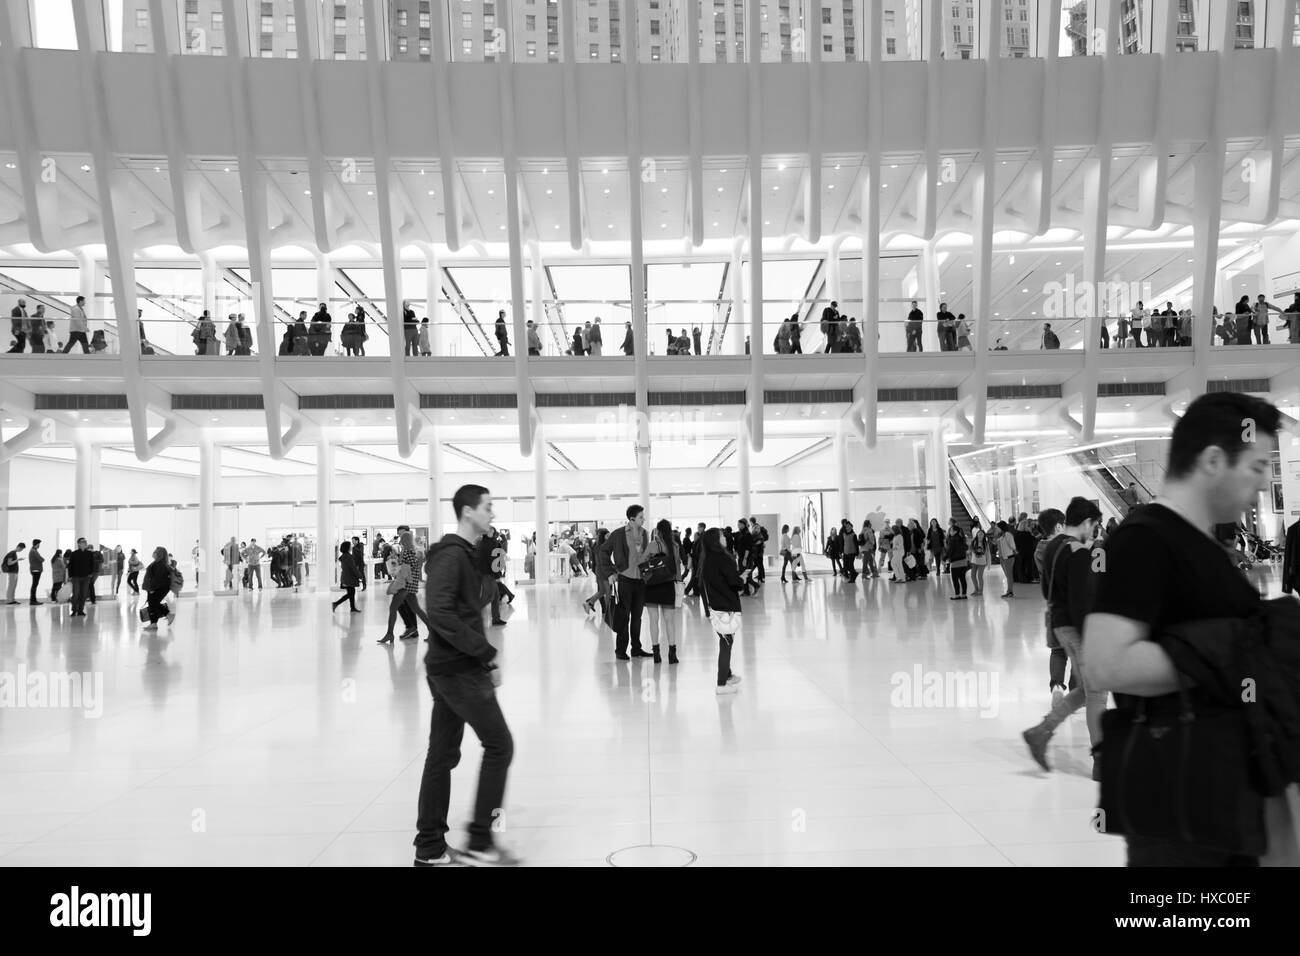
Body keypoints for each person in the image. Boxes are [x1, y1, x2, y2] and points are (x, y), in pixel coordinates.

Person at [1087, 392, 1280, 866]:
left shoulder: (1202, 544)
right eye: (1257, 466)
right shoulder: (1144, 539)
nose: (1264, 482)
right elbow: (1105, 662)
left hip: (1219, 791)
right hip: (1180, 803)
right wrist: (1237, 651)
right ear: (1213, 460)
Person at [414, 484, 519, 867]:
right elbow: (440, 613)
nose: (492, 514)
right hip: (456, 671)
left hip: (456, 668)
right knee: (500, 745)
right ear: (468, 512)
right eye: (487, 507)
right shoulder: (449, 556)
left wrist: (490, 568)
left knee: (441, 755)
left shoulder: (468, 556)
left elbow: (472, 606)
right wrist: (484, 653)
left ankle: (429, 848)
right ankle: (479, 842)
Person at [1021, 498, 1105, 779]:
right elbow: (1082, 600)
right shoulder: (1078, 550)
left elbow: (1046, 589)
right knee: (1097, 693)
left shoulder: (1052, 546)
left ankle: (1041, 732)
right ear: (1086, 522)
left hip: (1059, 624)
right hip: (1077, 626)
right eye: (1094, 526)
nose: (1094, 532)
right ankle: (1101, 760)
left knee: (1087, 689)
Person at [600, 505, 652, 660]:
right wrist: (610, 572)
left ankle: (636, 648)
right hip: (625, 580)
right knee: (624, 616)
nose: (644, 519)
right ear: (632, 519)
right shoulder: (618, 534)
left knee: (637, 617)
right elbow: (603, 551)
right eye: (641, 517)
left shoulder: (645, 534)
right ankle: (620, 650)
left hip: (641, 581)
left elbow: (645, 555)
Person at [698, 528, 744, 695]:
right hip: (727, 607)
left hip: (716, 607)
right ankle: (721, 684)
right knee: (726, 643)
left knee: (726, 640)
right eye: (722, 536)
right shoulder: (724, 559)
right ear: (716, 540)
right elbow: (734, 582)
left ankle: (728, 675)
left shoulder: (707, 559)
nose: (725, 538)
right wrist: (741, 581)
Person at [642, 519, 681, 664]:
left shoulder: (653, 545)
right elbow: (676, 568)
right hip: (668, 585)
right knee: (670, 621)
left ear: (658, 531)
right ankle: (672, 654)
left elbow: (642, 562)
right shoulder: (674, 546)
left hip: (652, 585)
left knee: (653, 620)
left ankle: (656, 654)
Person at [477, 525, 514, 627]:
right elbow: (492, 560)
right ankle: (471, 614)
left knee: (495, 596)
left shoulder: (482, 543)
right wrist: (497, 574)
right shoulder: (490, 543)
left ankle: (496, 619)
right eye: (489, 531)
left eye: (491, 531)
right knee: (488, 597)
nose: (490, 532)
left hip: (486, 573)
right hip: (488, 574)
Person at [140, 547, 178, 630]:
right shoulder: (158, 563)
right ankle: (154, 623)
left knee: (153, 602)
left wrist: (153, 588)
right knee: (153, 603)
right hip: (157, 587)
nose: (153, 553)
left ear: (159, 554)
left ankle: (167, 615)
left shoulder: (160, 564)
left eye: (155, 552)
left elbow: (158, 578)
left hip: (158, 587)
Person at [332, 541, 362, 613]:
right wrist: (360, 575)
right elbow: (353, 568)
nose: (351, 547)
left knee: (351, 592)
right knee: (351, 593)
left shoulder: (344, 556)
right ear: (347, 547)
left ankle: (352, 608)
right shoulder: (348, 557)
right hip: (349, 577)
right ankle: (335, 603)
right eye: (350, 546)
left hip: (346, 576)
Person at [946, 521, 969, 600]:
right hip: (963, 562)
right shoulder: (962, 539)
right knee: (963, 579)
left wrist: (944, 558)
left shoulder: (952, 539)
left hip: (955, 562)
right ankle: (964, 594)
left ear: (955, 531)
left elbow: (950, 551)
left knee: (955, 580)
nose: (950, 531)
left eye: (951, 530)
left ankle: (957, 595)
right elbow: (966, 548)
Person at [998, 521, 1018, 598]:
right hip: (1004, 557)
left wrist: (1014, 550)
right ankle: (1009, 591)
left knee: (1009, 575)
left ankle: (1010, 591)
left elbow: (1012, 545)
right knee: (1007, 575)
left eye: (998, 527)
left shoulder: (1008, 534)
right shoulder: (1003, 535)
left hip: (1009, 556)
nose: (997, 529)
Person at [968, 519, 988, 595]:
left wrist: (979, 552)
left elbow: (985, 552)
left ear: (983, 536)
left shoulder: (985, 543)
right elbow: (971, 550)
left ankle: (980, 591)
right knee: (973, 576)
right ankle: (976, 589)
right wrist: (971, 554)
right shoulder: (974, 542)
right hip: (974, 561)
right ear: (977, 534)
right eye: (979, 534)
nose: (980, 535)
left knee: (980, 576)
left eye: (981, 534)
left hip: (982, 562)